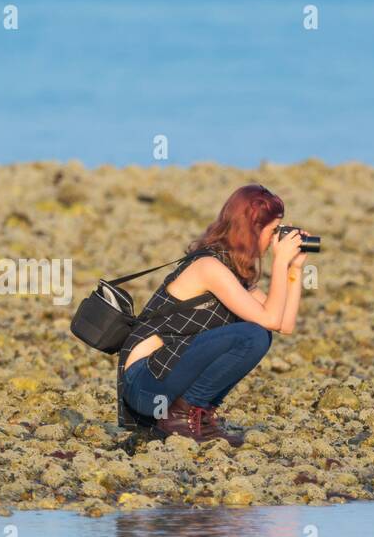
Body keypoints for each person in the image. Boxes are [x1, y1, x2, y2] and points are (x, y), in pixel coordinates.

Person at [116, 184, 308, 445]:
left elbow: (283, 324)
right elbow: (270, 319)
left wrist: (294, 268)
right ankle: (180, 416)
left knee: (259, 334)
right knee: (251, 334)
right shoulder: (209, 267)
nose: (276, 239)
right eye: (274, 230)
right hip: (144, 383)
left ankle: (198, 416)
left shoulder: (233, 271)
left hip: (164, 382)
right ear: (252, 229)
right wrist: (279, 261)